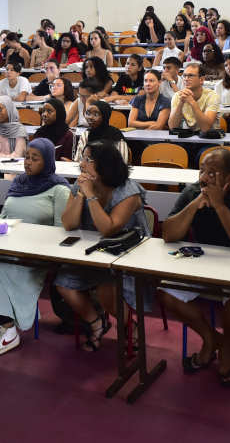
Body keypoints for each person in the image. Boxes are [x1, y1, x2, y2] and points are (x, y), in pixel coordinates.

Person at [159, 148, 230, 387]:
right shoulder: (194, 191)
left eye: (212, 173)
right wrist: (195, 203)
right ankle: (210, 339)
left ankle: (226, 349)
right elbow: (168, 234)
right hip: (205, 261)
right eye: (202, 171)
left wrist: (219, 206)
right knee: (167, 292)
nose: (204, 178)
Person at [0, 139, 71, 355]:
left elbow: (60, 230)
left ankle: (8, 330)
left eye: (35, 159)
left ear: (47, 162)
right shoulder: (19, 183)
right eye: (26, 156)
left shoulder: (59, 189)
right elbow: (4, 216)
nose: (28, 162)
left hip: (32, 254)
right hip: (5, 244)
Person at [55, 140, 150, 351]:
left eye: (88, 159)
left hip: (127, 251)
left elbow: (109, 228)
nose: (81, 164)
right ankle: (97, 322)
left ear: (104, 165)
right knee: (64, 284)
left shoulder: (128, 190)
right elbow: (68, 224)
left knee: (107, 290)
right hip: (94, 251)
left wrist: (90, 194)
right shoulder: (83, 184)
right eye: (83, 158)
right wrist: (81, 193)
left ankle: (129, 327)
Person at [169, 62, 218, 132]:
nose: (186, 79)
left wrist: (192, 102)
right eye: (184, 76)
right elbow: (172, 127)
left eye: (190, 76)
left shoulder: (211, 96)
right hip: (188, 137)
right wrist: (181, 103)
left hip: (210, 138)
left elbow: (206, 128)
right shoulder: (178, 96)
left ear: (201, 80)